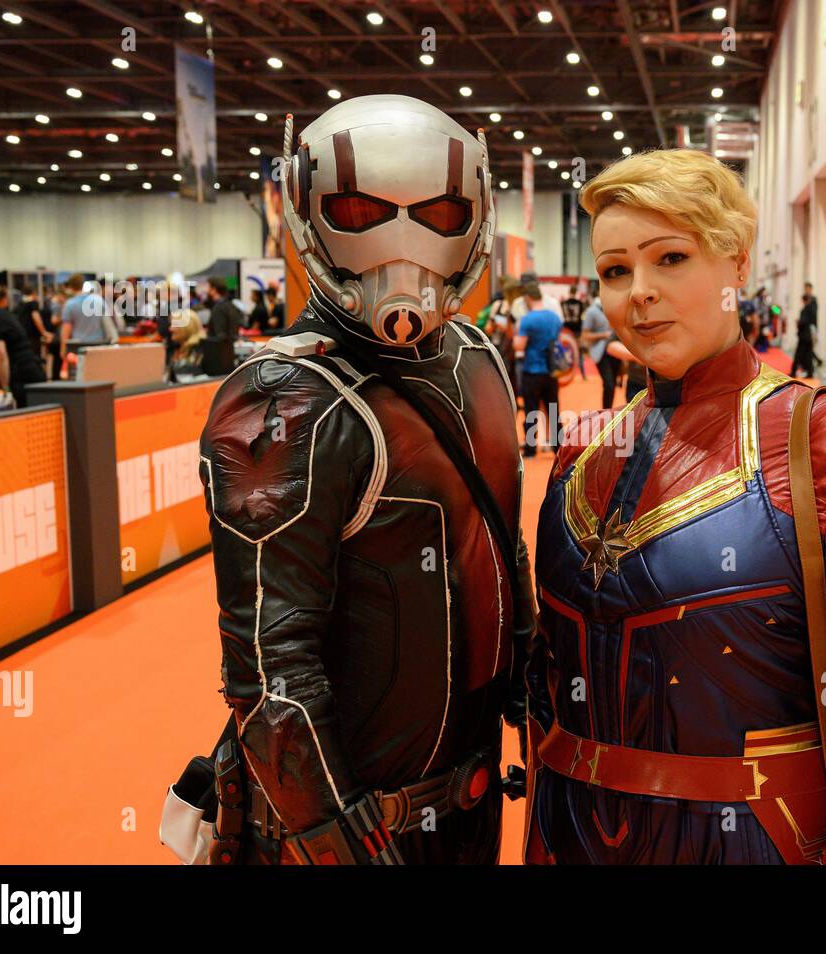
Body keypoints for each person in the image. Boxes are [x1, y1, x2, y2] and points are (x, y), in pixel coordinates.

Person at [522, 147, 826, 866]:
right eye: (614, 271)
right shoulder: (579, 458)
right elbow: (549, 682)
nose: (640, 292)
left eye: (670, 258)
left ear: (736, 265)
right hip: (567, 834)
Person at [195, 94, 531, 866]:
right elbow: (269, 663)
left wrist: (530, 682)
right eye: (360, 208)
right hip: (359, 829)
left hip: (474, 808)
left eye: (438, 213)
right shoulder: (285, 397)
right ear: (308, 212)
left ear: (475, 214)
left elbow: (498, 550)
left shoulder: (477, 358)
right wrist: (327, 835)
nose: (401, 243)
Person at [0, 282, 47, 407]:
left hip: (21, 377)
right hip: (32, 371)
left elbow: (0, 356)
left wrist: (5, 387)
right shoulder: (3, 315)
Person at [515, 281, 561, 457]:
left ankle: (530, 448)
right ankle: (558, 447)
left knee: (531, 411)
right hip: (551, 371)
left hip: (532, 370)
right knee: (553, 410)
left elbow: (519, 346)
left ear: (527, 298)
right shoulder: (554, 317)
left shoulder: (527, 319)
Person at [580, 294, 620, 410]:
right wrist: (604, 335)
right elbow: (585, 335)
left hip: (616, 351)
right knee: (609, 384)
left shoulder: (615, 308)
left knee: (612, 385)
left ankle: (608, 411)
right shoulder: (592, 312)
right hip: (600, 353)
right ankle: (606, 412)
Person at [790, 282, 817, 377]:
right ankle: (810, 372)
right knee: (808, 354)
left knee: (799, 354)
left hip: (804, 335)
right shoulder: (811, 307)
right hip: (808, 335)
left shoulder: (807, 308)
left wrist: (799, 322)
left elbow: (804, 322)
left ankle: (794, 371)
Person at [204, 277, 241, 342]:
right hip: (230, 347)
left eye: (208, 287)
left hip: (219, 349)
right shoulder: (231, 305)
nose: (206, 290)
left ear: (214, 289)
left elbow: (220, 335)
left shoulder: (218, 308)